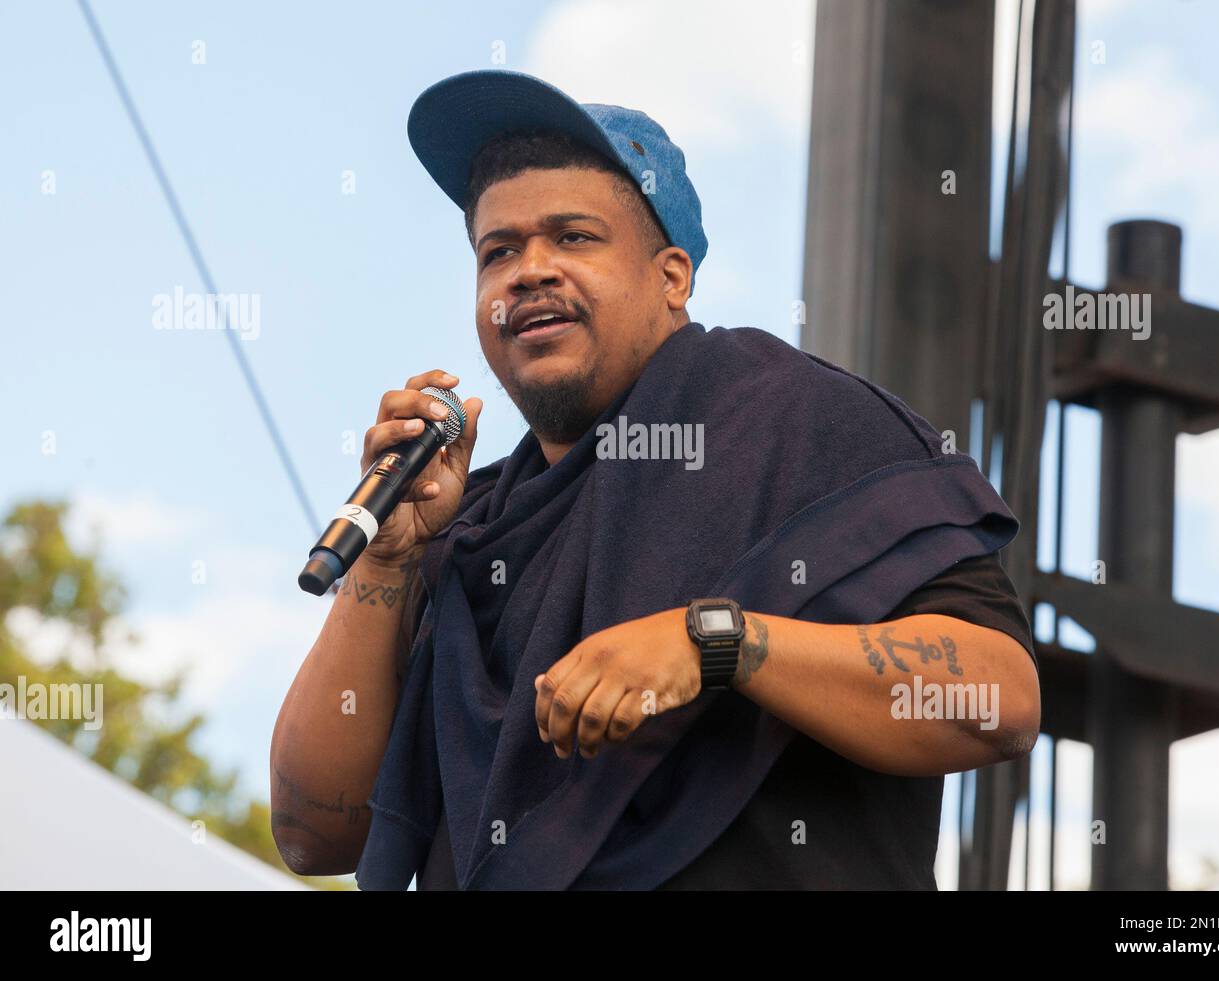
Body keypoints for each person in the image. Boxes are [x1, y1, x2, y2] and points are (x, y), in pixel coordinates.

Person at [270, 69, 1040, 890]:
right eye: (499, 252)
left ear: (672, 276)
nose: (528, 271)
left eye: (573, 237)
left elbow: (999, 698)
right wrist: (387, 561)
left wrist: (716, 642)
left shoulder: (797, 420)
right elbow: (314, 834)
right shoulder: (466, 529)